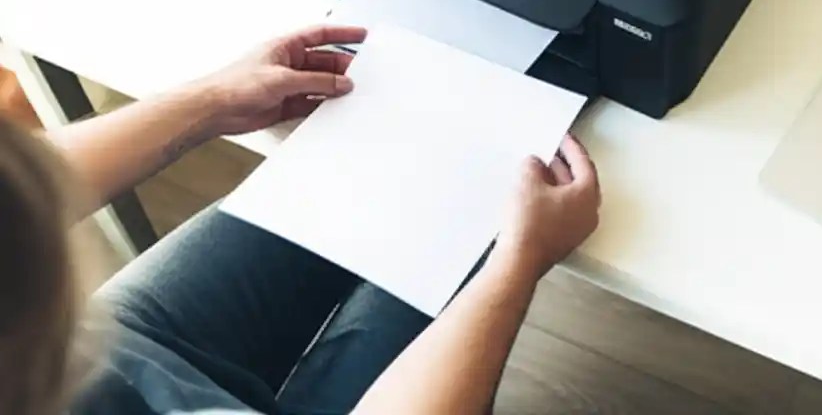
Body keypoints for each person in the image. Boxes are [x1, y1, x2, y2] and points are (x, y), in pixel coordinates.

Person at [0, 25, 602, 415]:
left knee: (393, 148)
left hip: (120, 356)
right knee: (483, 206)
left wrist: (213, 99)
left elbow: (21, 189)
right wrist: (517, 265)